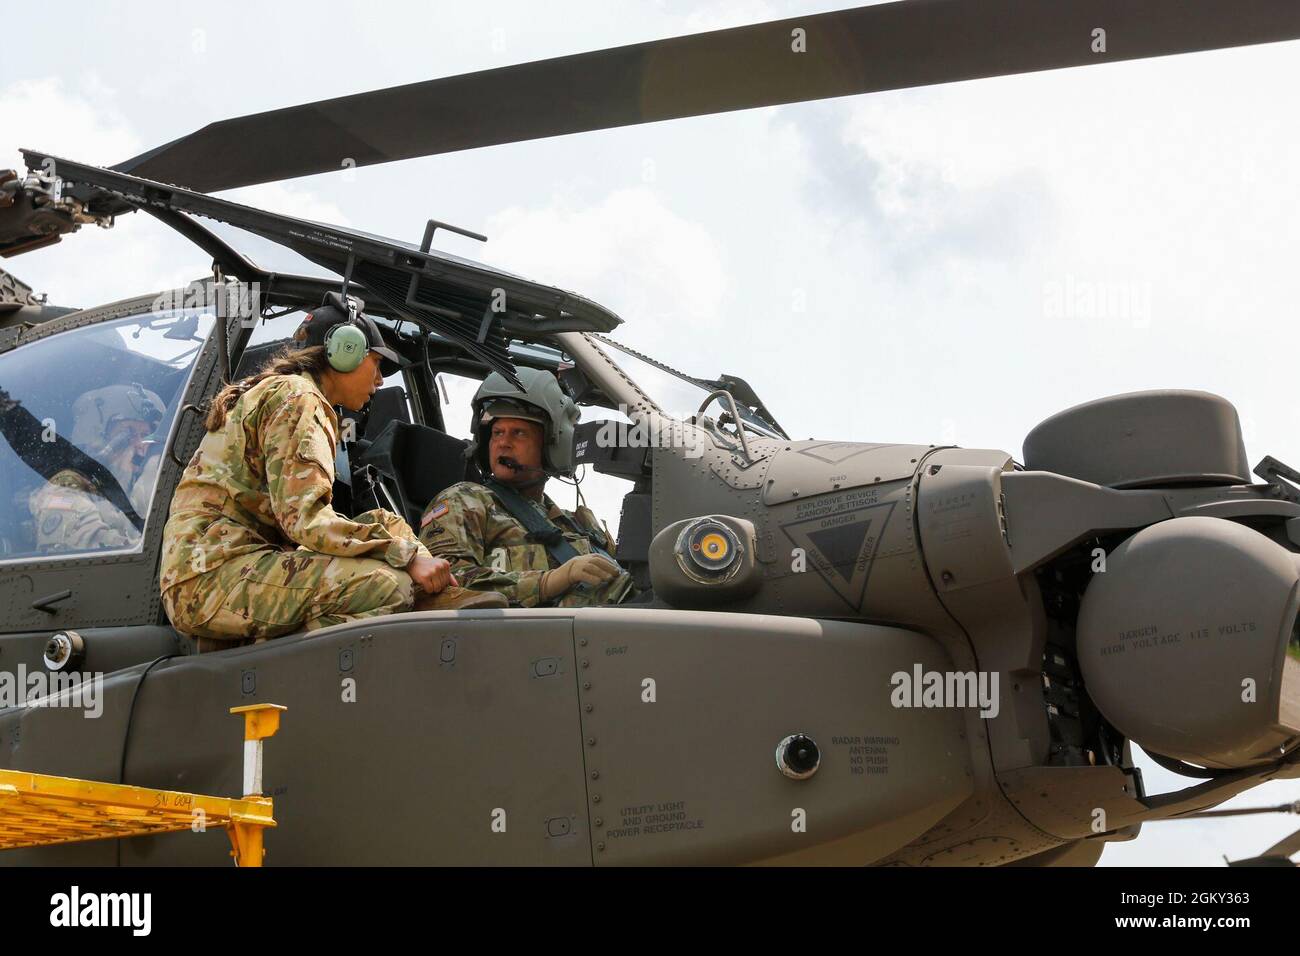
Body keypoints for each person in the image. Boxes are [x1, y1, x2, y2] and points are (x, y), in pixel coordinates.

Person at [160, 293, 503, 650]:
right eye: (376, 364)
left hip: (226, 569)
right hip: (208, 580)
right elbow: (305, 521)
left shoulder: (287, 394)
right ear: (345, 353)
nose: (380, 382)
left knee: (388, 523)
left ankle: (437, 596)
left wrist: (400, 549)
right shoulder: (299, 399)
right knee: (389, 587)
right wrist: (407, 557)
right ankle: (260, 660)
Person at [418, 367, 637, 607]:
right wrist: (551, 581)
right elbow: (444, 586)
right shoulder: (465, 501)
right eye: (497, 432)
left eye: (518, 433)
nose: (503, 442)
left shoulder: (581, 524)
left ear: (551, 444)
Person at [28, 383, 165, 553]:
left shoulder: (131, 487)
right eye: (126, 435)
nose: (139, 446)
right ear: (97, 442)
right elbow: (113, 555)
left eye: (145, 436)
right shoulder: (66, 488)